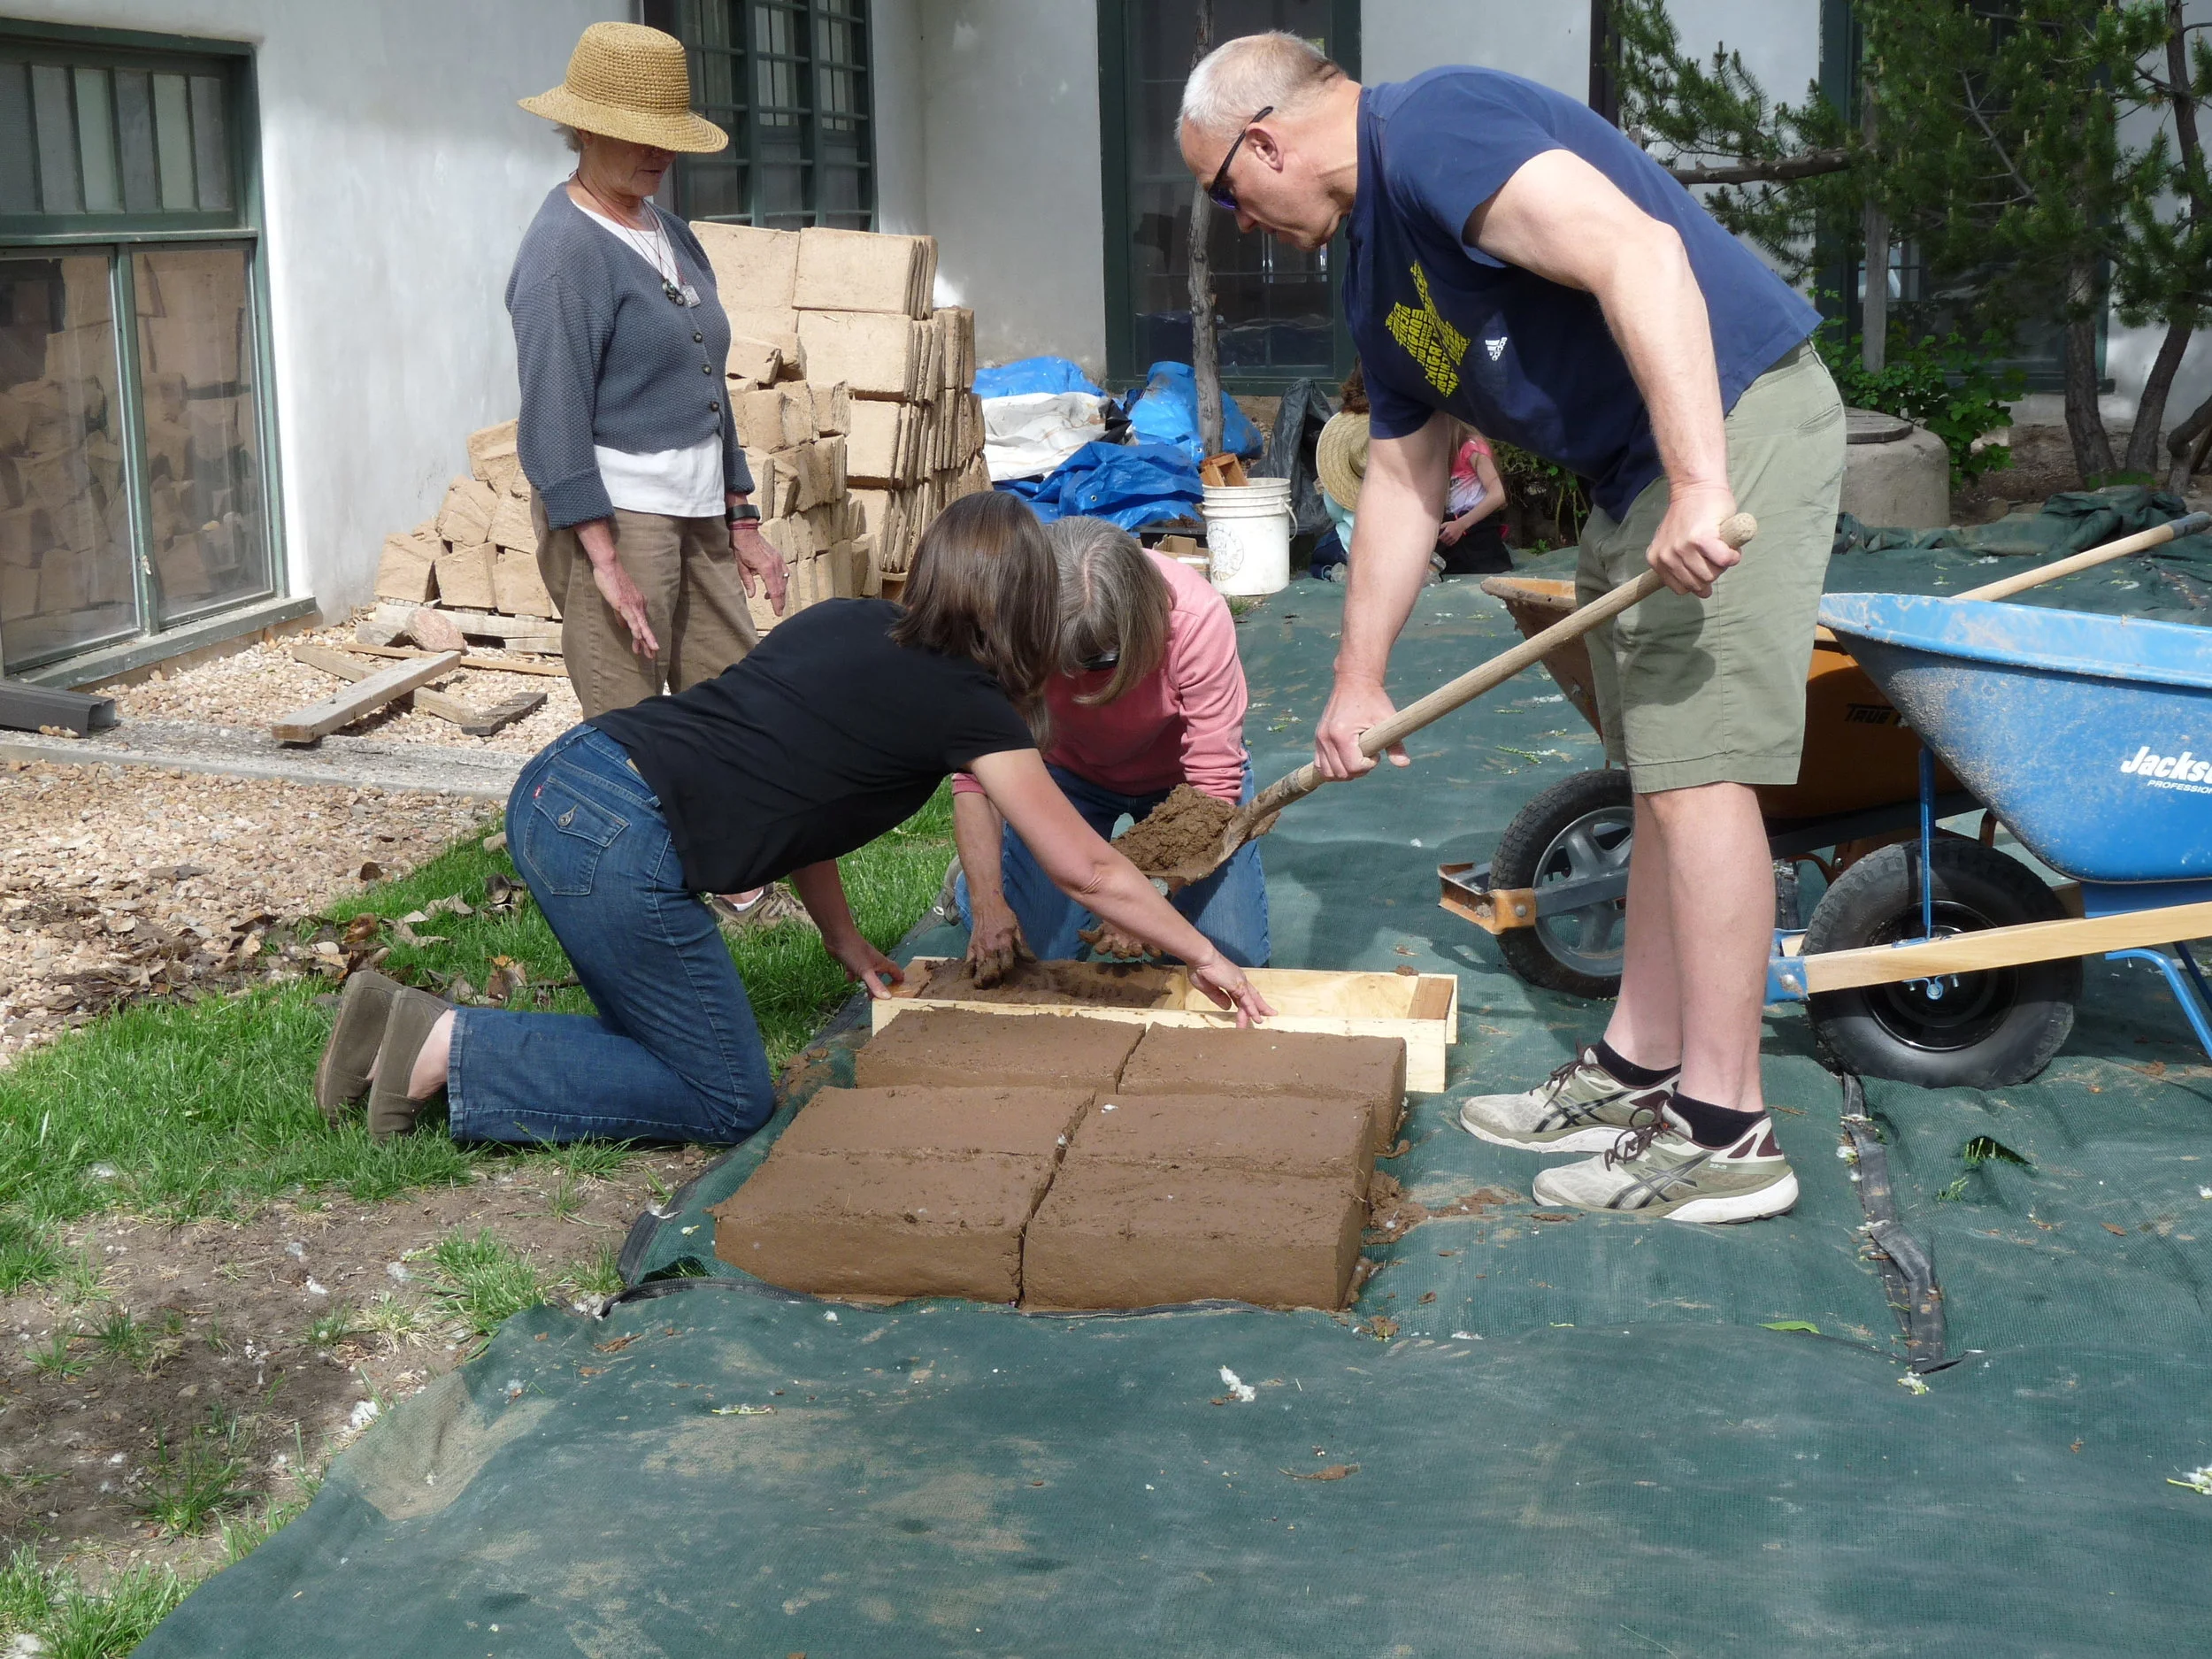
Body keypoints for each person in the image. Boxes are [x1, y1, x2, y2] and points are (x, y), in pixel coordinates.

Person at [1179, 35, 1845, 1223]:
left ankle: (1729, 1128)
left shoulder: (1432, 133)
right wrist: (1357, 677)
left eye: (1225, 191)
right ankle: (1641, 1066)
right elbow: (1400, 473)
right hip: (1631, 467)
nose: (1236, 220)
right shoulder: (1371, 268)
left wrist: (1699, 483)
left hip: (1731, 419)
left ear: (1265, 139)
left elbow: (1642, 255)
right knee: (1653, 777)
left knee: (1700, 774)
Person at [311, 493, 1272, 1147]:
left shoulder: (846, 621)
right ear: (1024, 609)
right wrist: (1205, 956)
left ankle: (394, 1028)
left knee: (668, 1049)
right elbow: (1089, 872)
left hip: (566, 784)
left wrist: (845, 937)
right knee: (726, 1098)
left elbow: (794, 791)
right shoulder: (968, 707)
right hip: (619, 842)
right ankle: (446, 1046)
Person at [509, 22, 787, 727]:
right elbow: (553, 416)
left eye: (667, 133)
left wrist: (740, 512)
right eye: (638, 133)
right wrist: (601, 559)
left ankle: (731, 839)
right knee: (633, 733)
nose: (658, 151)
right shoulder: (562, 252)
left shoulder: (669, 231)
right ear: (585, 131)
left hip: (700, 514)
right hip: (621, 520)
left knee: (736, 716)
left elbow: (706, 381)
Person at [950, 516, 1270, 979]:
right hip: (1062, 777)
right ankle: (970, 883)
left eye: (1103, 659)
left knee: (1231, 961)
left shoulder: (1195, 618)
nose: (1082, 678)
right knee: (1035, 958)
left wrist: (1149, 901)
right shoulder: (1000, 622)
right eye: (1067, 660)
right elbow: (975, 777)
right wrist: (988, 903)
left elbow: (1212, 779)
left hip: (1183, 789)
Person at [1437, 422, 1510, 575]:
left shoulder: (1471, 447)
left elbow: (1498, 494)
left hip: (1479, 536)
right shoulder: (1444, 452)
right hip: (1453, 534)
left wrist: (1461, 524)